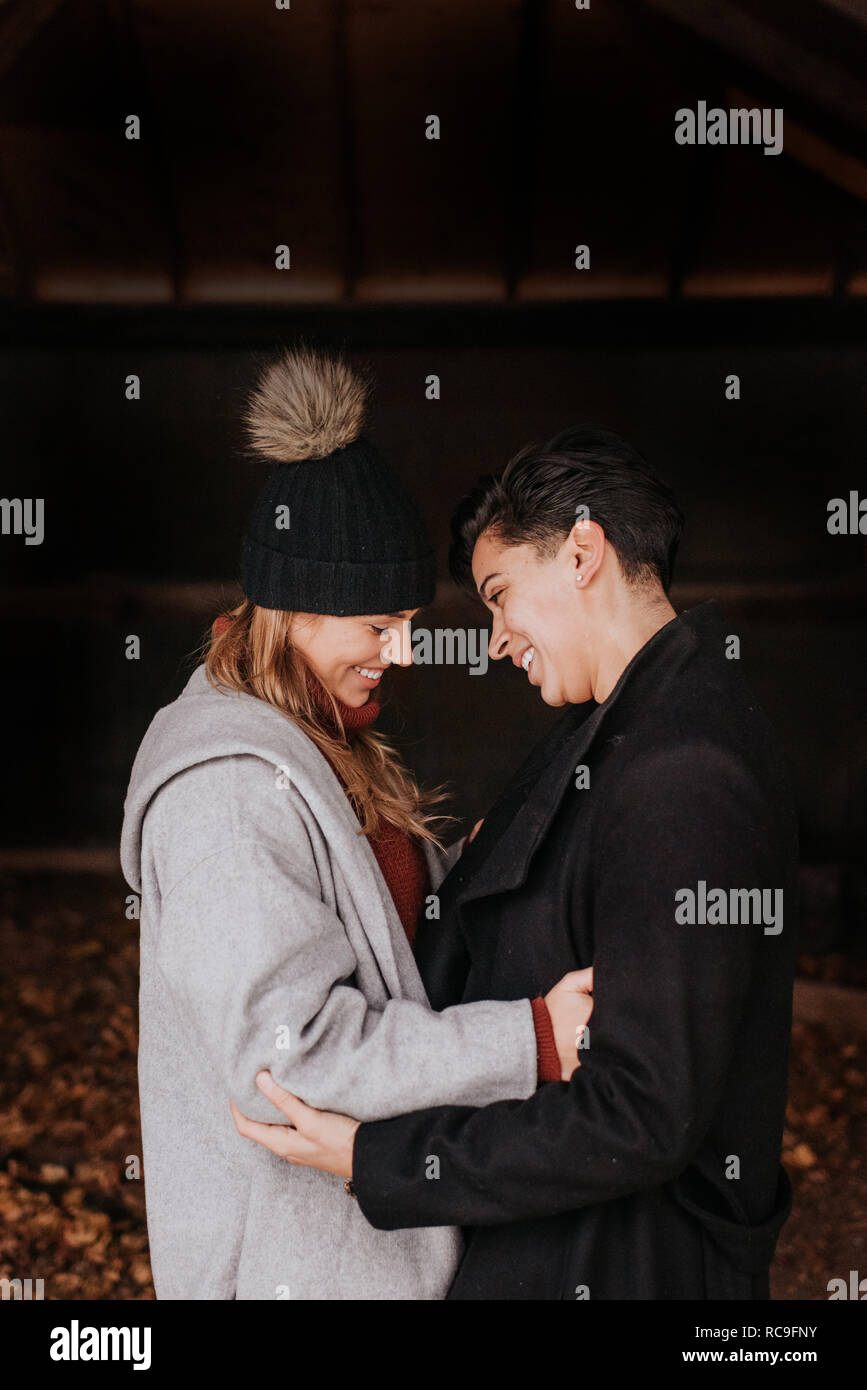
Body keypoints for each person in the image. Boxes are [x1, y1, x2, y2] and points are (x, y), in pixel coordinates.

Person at [232, 425, 799, 1300]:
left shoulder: (685, 771)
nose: (495, 640)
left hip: (626, 1268)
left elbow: (642, 1114)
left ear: (581, 552)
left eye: (499, 596)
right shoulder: (616, 736)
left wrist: (376, 1158)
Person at [119, 346, 589, 1300]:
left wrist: (483, 858)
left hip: (354, 1247)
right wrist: (530, 1042)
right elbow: (294, 1052)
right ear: (293, 613)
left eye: (409, 620)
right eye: (378, 624)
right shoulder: (226, 795)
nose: (402, 651)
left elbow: (374, 941)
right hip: (293, 1267)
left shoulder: (313, 743)